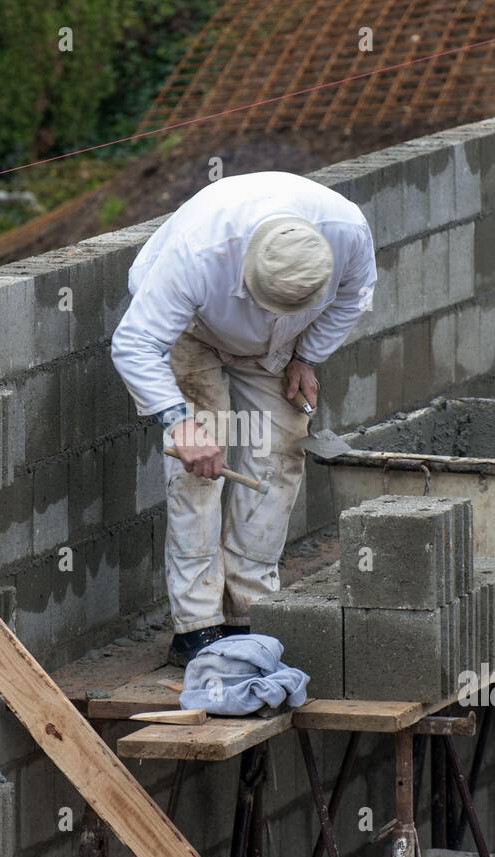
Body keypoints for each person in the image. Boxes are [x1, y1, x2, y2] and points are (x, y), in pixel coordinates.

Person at [111, 171, 377, 665]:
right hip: (191, 332)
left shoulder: (346, 231)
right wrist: (180, 423)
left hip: (280, 348)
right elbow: (135, 343)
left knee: (278, 455)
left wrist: (307, 356)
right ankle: (198, 626)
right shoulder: (197, 255)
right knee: (199, 469)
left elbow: (354, 297)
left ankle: (251, 610)